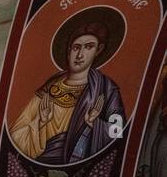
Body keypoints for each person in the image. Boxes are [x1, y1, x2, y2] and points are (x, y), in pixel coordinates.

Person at [10, 17, 125, 165]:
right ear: (68, 50)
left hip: (77, 171)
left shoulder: (106, 90)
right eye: (76, 47)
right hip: (37, 167)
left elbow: (118, 135)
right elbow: (16, 136)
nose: (80, 55)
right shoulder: (48, 88)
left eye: (89, 47)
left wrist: (94, 124)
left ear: (99, 50)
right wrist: (40, 123)